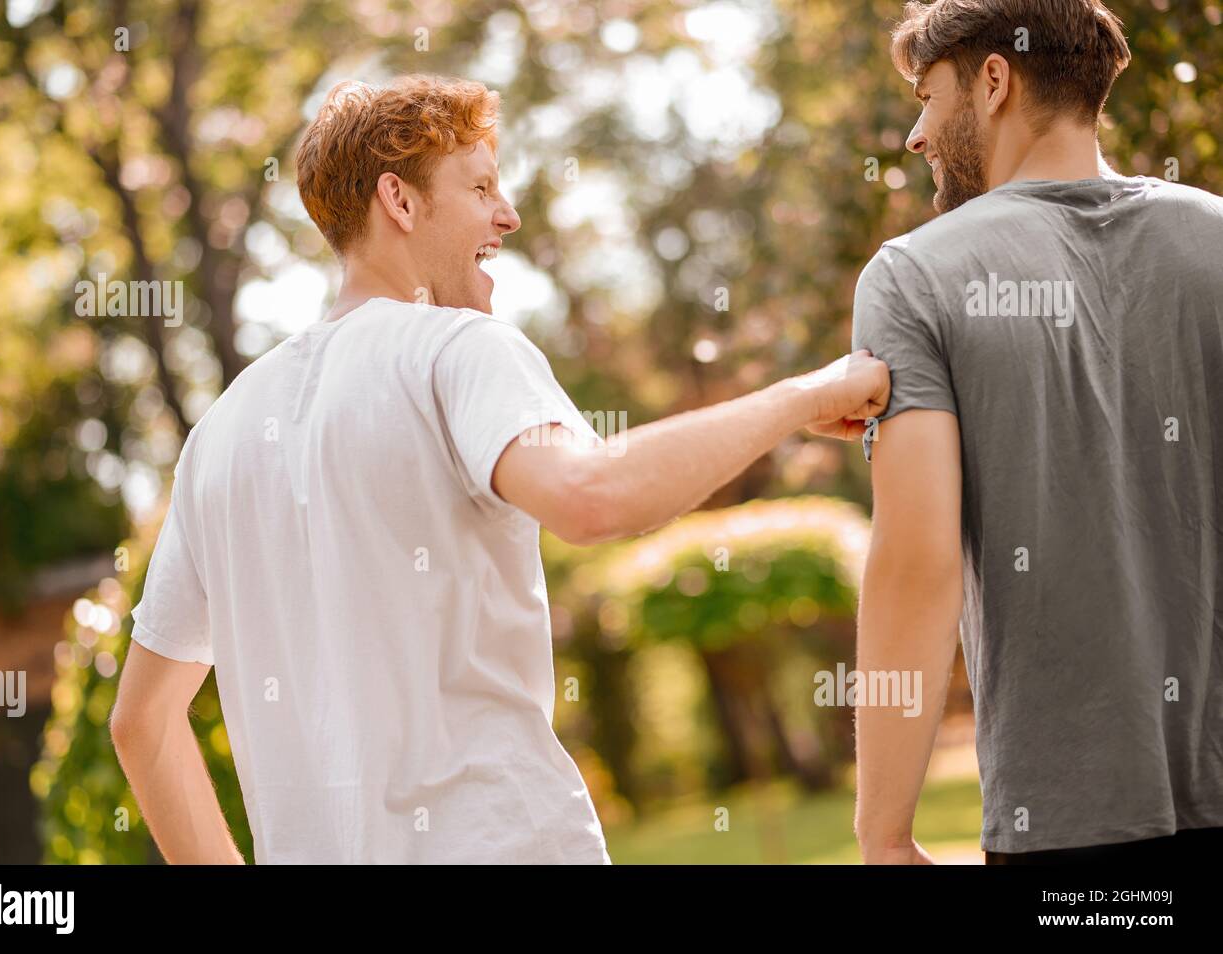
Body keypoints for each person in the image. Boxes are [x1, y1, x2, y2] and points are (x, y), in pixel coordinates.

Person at [109, 74, 890, 864]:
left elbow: (140, 723)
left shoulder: (218, 436)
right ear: (400, 202)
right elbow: (590, 497)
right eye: (480, 186)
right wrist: (805, 395)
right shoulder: (457, 348)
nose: (507, 215)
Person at [850, 0, 1223, 864]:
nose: (916, 137)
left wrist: (884, 836)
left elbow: (917, 563)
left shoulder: (914, 277)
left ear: (992, 80)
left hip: (1071, 836)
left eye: (925, 97)